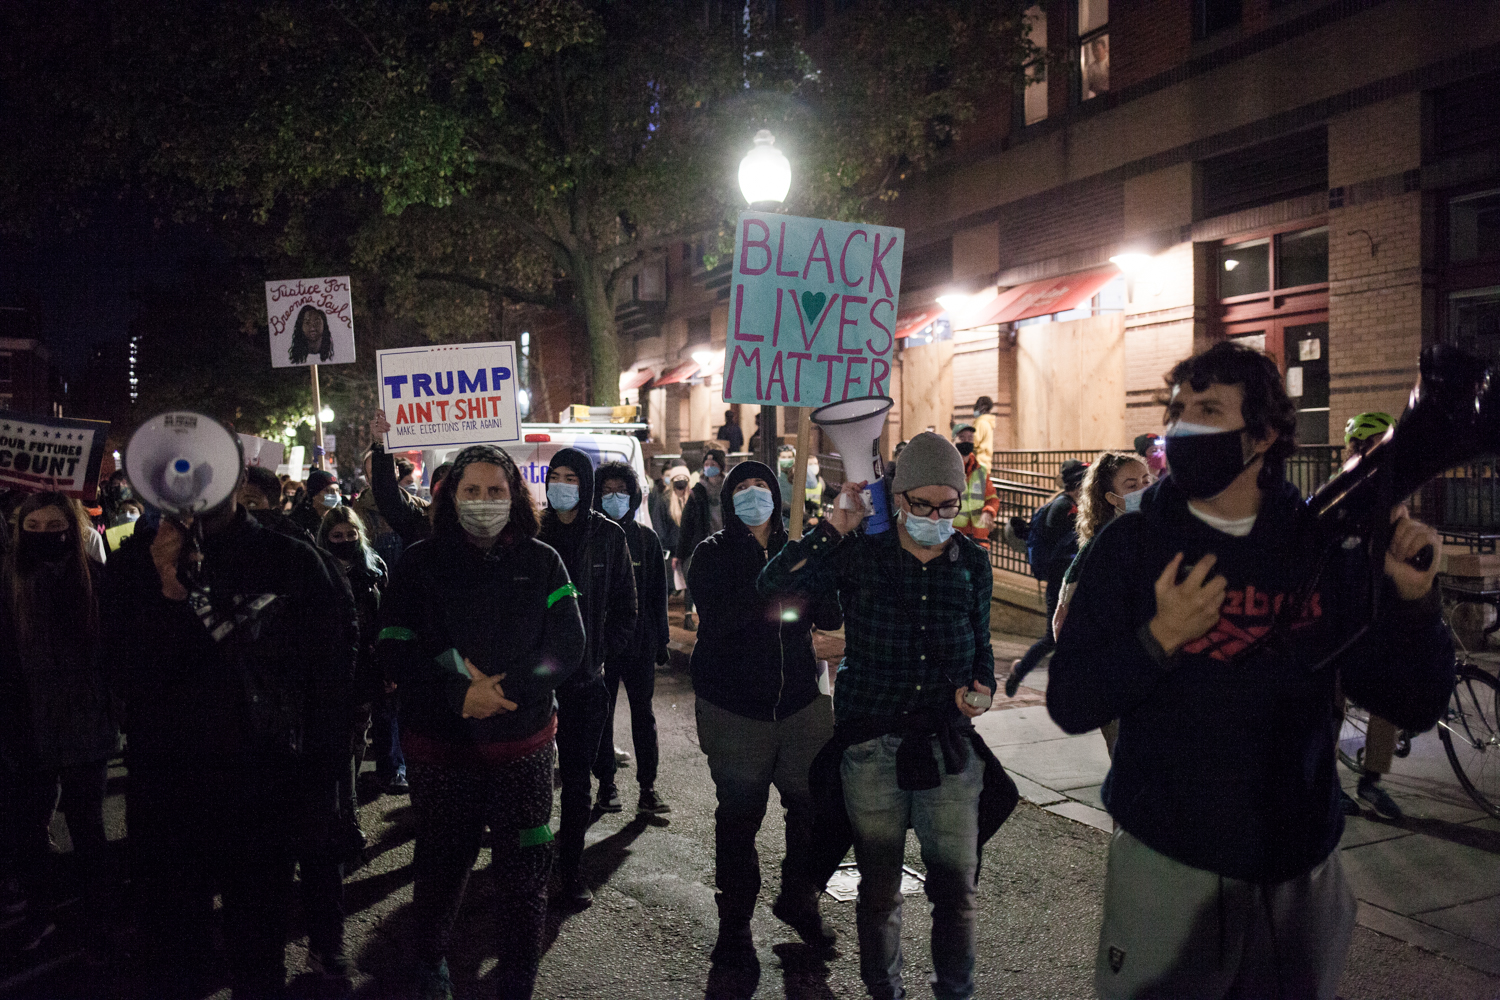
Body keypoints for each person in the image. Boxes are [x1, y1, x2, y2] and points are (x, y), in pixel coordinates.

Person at [1047, 342, 1452, 1000]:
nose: (1182, 428)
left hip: (1298, 872)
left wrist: (1413, 603)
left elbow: (1412, 702)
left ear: (1262, 435)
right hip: (1168, 863)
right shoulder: (1132, 545)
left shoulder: (1320, 547)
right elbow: (1071, 700)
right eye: (1177, 411)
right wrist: (1161, 636)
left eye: (1208, 410)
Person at [760, 431, 1015, 1000]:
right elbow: (773, 586)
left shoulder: (972, 561)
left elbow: (981, 648)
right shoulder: (859, 553)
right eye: (922, 505)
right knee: (879, 892)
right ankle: (885, 992)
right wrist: (834, 528)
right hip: (870, 749)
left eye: (948, 506)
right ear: (898, 498)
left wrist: (982, 688)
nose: (936, 517)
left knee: (956, 891)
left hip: (947, 749)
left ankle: (955, 992)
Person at [110, 441, 356, 999]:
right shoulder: (132, 565)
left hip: (263, 787)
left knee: (258, 946)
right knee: (175, 952)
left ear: (236, 477)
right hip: (170, 791)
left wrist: (321, 781)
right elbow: (121, 672)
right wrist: (167, 588)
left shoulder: (291, 557)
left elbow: (330, 673)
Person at [376, 445, 585, 1000]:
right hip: (440, 749)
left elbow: (567, 646)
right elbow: (392, 646)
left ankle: (519, 975)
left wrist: (503, 694)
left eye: (496, 491)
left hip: (522, 748)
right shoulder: (418, 562)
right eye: (472, 490)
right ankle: (429, 963)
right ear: (451, 497)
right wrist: (457, 694)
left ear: (515, 496)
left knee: (526, 869)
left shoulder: (544, 561)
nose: (484, 501)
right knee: (441, 861)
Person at [688, 461, 842, 966]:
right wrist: (780, 583)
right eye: (743, 487)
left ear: (777, 497)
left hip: (800, 703)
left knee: (814, 808)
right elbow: (725, 618)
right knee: (739, 816)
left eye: (761, 486)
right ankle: (735, 921)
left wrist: (818, 571)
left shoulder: (798, 548)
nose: (753, 494)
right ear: (728, 499)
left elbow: (828, 615)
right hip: (735, 709)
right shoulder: (711, 554)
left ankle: (800, 898)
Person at [0, 492, 117, 954]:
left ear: (72, 529)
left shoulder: (97, 581)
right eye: (34, 528)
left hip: (86, 723)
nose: (44, 535)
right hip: (24, 723)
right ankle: (39, 912)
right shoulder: (7, 582)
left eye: (54, 527)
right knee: (29, 826)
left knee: (87, 824)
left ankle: (98, 918)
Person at [539, 448, 638, 908]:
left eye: (571, 478)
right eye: (555, 477)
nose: (562, 486)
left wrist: (599, 653)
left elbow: (625, 606)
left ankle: (570, 870)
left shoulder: (608, 536)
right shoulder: (531, 532)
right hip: (535, 682)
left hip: (585, 681)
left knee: (577, 782)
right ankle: (528, 865)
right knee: (531, 781)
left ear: (586, 484)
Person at [1048, 451, 1152, 755]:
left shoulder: (1165, 536)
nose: (1144, 489)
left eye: (1146, 480)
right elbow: (1064, 619)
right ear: (1111, 498)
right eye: (1131, 485)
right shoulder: (1100, 551)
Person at [590, 462, 671, 816]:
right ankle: (605, 785)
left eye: (621, 491)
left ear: (633, 495)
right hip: (602, 647)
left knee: (644, 715)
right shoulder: (592, 538)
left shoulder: (646, 539)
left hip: (640, 645)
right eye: (607, 491)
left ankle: (648, 787)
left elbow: (657, 595)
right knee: (601, 716)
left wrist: (661, 640)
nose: (614, 497)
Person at [1339, 411, 1405, 820]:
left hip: (1381, 605)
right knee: (1331, 699)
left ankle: (1372, 781)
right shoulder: (1347, 486)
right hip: (1343, 607)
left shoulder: (1392, 483)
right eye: (1379, 443)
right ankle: (1327, 784)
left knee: (1388, 695)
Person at [1003, 459, 1088, 697]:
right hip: (1061, 584)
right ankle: (1020, 670)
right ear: (1078, 484)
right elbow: (1059, 548)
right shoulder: (1063, 508)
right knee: (1053, 638)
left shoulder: (1070, 505)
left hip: (1072, 582)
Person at [356, 418, 432, 564]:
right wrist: (381, 445)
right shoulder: (359, 512)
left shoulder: (422, 508)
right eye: (374, 472)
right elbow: (387, 493)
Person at [677, 449, 726, 632]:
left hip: (724, 543)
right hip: (702, 543)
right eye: (706, 464)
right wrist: (680, 553)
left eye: (713, 464)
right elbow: (686, 524)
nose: (709, 467)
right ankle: (691, 616)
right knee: (697, 580)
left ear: (721, 466)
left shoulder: (729, 489)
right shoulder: (697, 492)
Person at [951, 424, 1000, 546]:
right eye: (962, 438)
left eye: (970, 438)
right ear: (953, 441)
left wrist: (988, 511)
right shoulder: (947, 471)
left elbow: (992, 498)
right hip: (953, 536)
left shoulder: (980, 471)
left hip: (979, 538)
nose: (966, 441)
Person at [653, 460, 690, 590]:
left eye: (684, 478)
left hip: (688, 551)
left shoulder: (692, 500)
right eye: (678, 478)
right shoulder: (664, 500)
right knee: (669, 585)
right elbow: (659, 526)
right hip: (671, 551)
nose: (681, 481)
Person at [290, 468, 342, 536]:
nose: (335, 495)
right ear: (314, 495)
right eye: (329, 491)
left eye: (337, 490)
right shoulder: (299, 522)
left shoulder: (340, 519)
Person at [970, 397, 995, 475]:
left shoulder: (981, 423)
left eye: (977, 405)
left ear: (983, 407)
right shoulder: (987, 423)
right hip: (985, 464)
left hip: (978, 464)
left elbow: (973, 442)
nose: (975, 408)